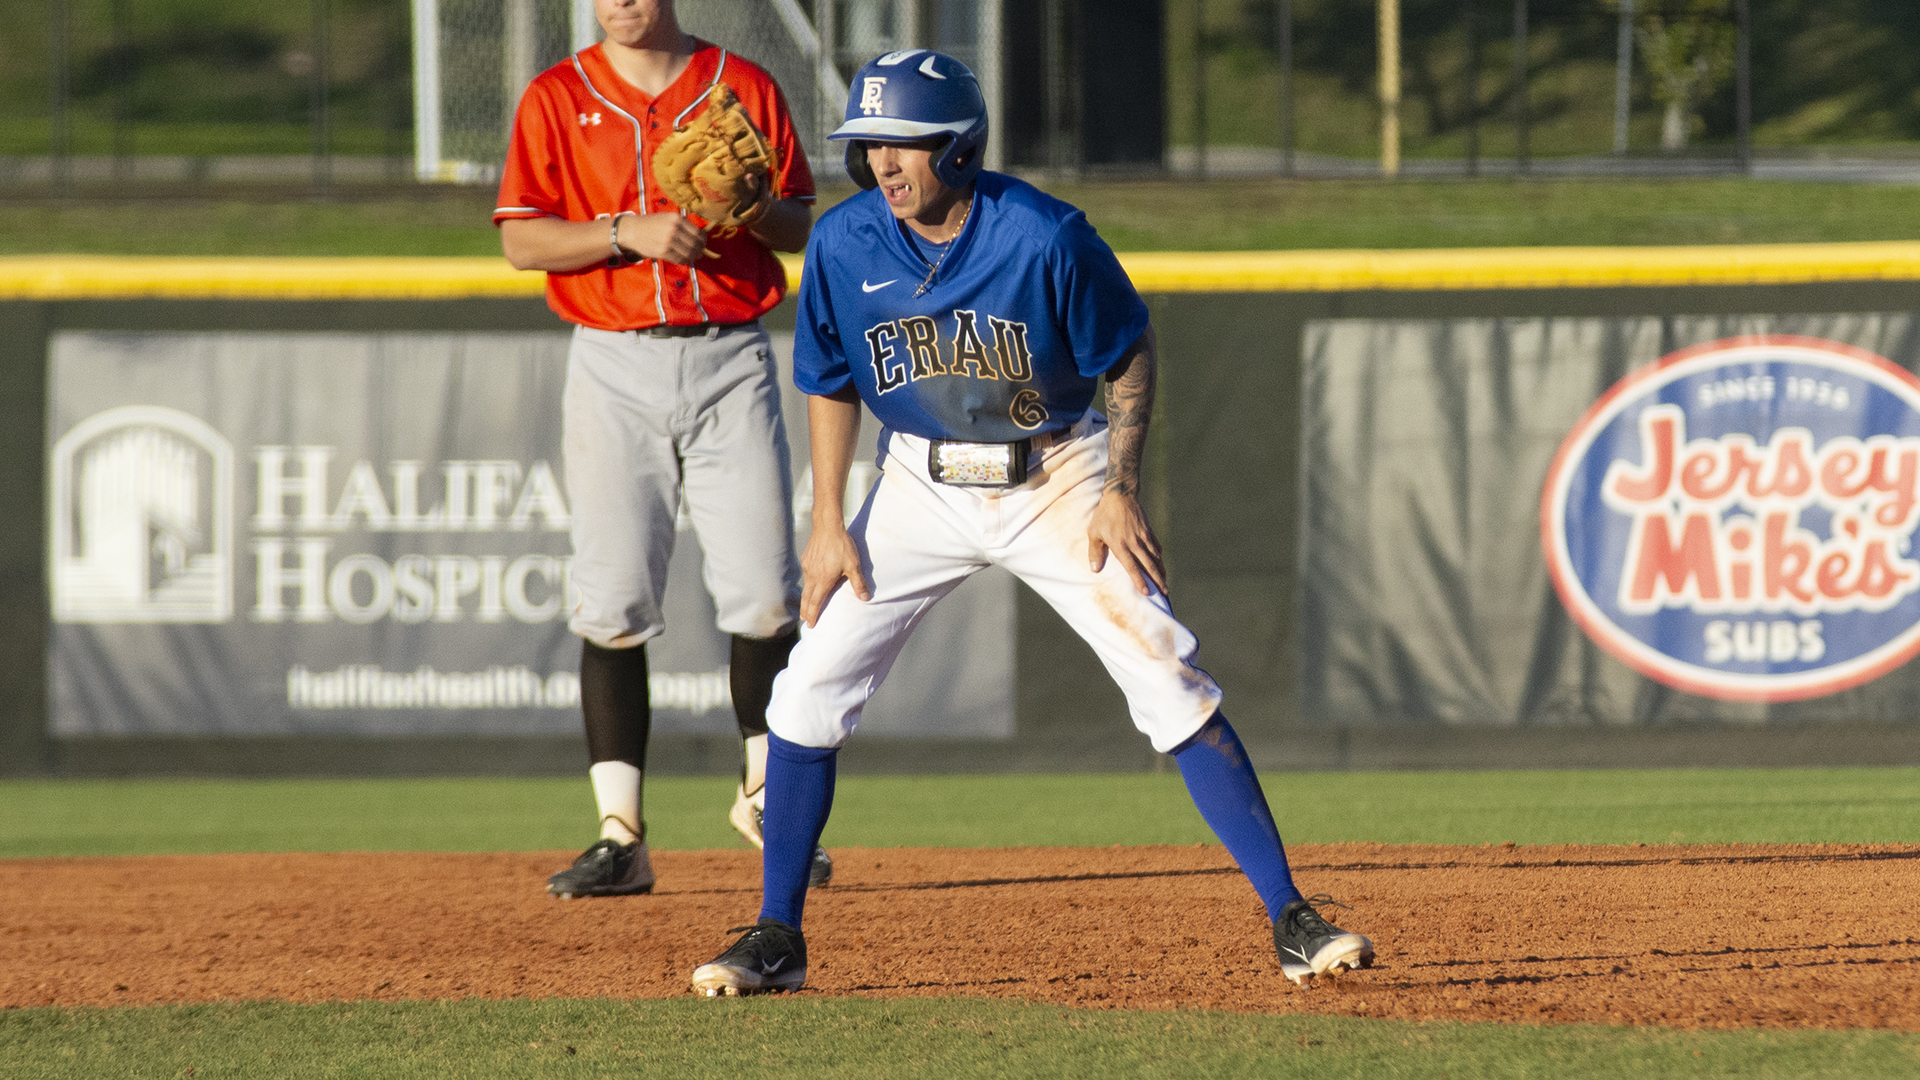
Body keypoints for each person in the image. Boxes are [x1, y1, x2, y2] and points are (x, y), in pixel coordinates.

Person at [690, 49, 1376, 995]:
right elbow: (828, 377)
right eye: (868, 146)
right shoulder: (847, 244)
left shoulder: (1045, 236)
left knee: (1166, 672)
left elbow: (1127, 353)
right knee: (805, 693)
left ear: (961, 148)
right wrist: (828, 520)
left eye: (906, 144)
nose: (883, 165)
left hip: (1054, 471)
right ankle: (778, 935)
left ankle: (1291, 916)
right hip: (918, 485)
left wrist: (1120, 485)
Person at [494, 0, 829, 898]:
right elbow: (523, 240)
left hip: (729, 352)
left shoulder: (741, 85)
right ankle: (620, 837)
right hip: (611, 361)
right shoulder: (556, 96)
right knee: (610, 600)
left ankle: (768, 802)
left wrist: (754, 208)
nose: (622, 2)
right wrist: (620, 233)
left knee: (764, 594)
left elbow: (801, 225)